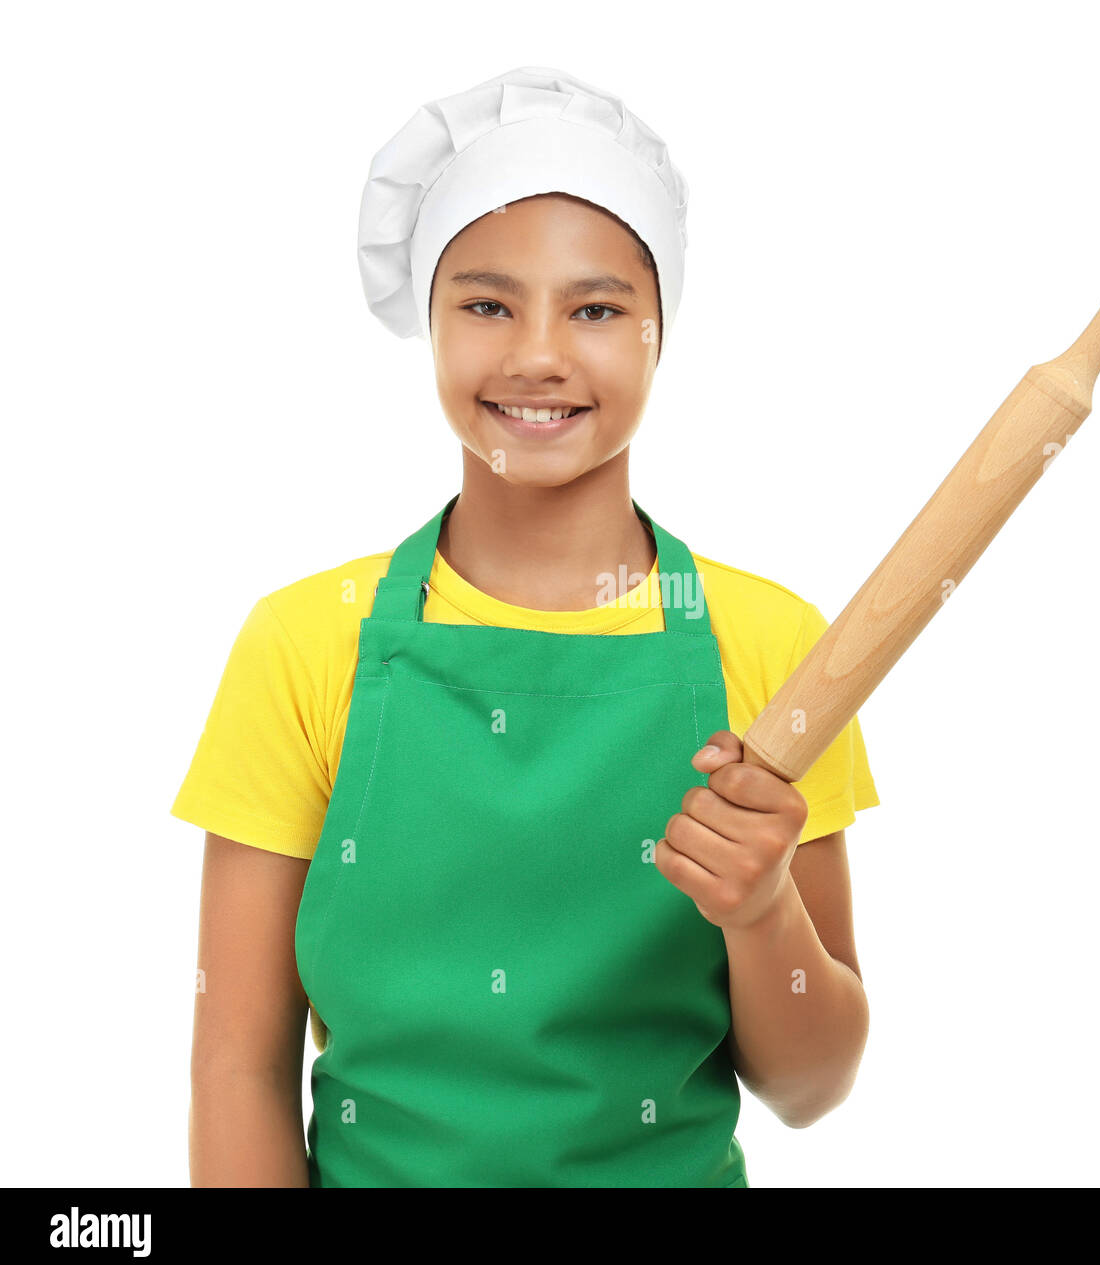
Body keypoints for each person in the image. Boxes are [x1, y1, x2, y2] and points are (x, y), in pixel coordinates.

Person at [174, 66, 880, 1188]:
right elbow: (237, 1066)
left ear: (660, 330)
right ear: (428, 319)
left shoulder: (775, 641)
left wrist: (761, 912)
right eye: (487, 303)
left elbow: (811, 1085)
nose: (540, 352)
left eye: (595, 308)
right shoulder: (307, 641)